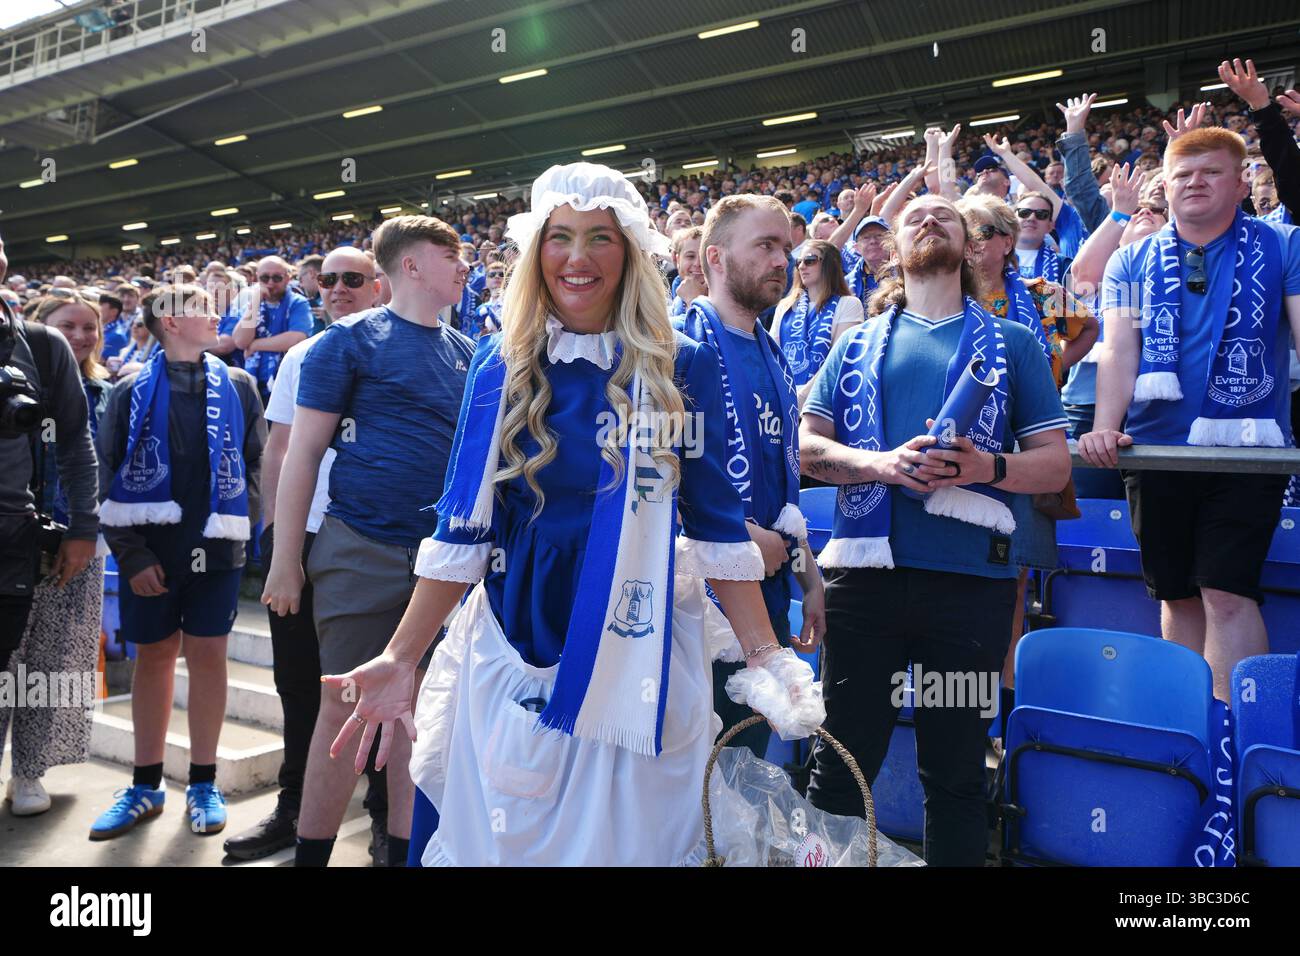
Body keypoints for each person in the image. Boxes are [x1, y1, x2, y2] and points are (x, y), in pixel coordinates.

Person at [322, 163, 819, 867]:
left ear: (631, 254)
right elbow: (462, 529)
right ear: (535, 251)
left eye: (600, 239)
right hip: (515, 643)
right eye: (560, 238)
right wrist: (401, 655)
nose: (577, 258)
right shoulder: (499, 363)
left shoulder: (684, 366)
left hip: (641, 650)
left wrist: (767, 656)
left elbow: (714, 526)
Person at [799, 194, 1071, 865]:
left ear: (972, 244)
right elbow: (806, 449)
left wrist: (988, 465)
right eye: (915, 215)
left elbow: (1054, 465)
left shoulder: (1012, 343)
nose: (930, 220)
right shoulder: (854, 343)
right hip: (862, 587)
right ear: (892, 247)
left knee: (955, 774)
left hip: (972, 589)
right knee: (841, 765)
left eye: (946, 217)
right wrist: (882, 465)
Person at [261, 216, 475, 868]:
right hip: (362, 552)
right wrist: (286, 561)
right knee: (343, 710)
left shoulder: (470, 353)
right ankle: (311, 858)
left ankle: (401, 858)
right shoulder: (346, 344)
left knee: (417, 719)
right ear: (410, 266)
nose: (464, 266)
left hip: (443, 564)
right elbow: (301, 458)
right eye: (451, 254)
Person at [1080, 125, 1300, 702]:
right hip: (1156, 450)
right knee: (1176, 593)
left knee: (1227, 591)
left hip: (1248, 449)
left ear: (1240, 181)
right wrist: (1107, 422)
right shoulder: (1129, 260)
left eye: (1210, 171)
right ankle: (1190, 728)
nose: (1194, 183)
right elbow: (1120, 349)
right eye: (1182, 174)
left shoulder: (1284, 244)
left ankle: (1233, 733)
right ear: (1167, 186)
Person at [223, 246, 386, 862]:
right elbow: (278, 451)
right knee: (296, 682)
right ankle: (295, 808)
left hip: (369, 543)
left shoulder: (398, 351)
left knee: (371, 686)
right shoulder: (300, 353)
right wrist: (276, 544)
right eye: (328, 279)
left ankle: (383, 815)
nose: (338, 288)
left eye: (353, 279)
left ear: (381, 287)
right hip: (303, 537)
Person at [90, 284, 266, 839]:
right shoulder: (127, 392)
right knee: (156, 657)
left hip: (216, 548)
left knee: (210, 655)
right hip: (152, 554)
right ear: (169, 322)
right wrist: (133, 555)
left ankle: (204, 781)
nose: (217, 315)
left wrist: (237, 531)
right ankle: (144, 785)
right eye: (202, 308)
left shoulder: (239, 384)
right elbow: (106, 474)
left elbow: (259, 465)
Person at [678, 194, 828, 759]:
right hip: (694, 610)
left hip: (764, 597)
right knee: (693, 778)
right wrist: (736, 534)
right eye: (764, 246)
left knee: (741, 773)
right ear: (714, 258)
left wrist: (807, 574)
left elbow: (780, 493)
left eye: (786, 249)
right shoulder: (678, 346)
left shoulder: (775, 355)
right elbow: (650, 483)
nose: (780, 262)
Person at [1, 291, 111, 816]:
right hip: (16, 533)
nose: (82, 336)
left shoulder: (105, 389)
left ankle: (29, 772)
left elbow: (84, 452)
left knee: (49, 666)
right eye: (70, 324)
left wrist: (85, 530)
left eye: (90, 327)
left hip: (60, 539)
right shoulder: (26, 357)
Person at [773, 238, 863, 402]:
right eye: (799, 262)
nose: (801, 266)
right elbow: (772, 357)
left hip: (823, 402)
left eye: (810, 261)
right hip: (783, 398)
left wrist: (801, 397)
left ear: (829, 265)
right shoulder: (785, 306)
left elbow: (839, 360)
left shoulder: (849, 304)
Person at [233, 255, 312, 405]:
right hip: (255, 383)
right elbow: (240, 341)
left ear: (287, 278)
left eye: (277, 278)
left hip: (287, 383)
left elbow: (296, 338)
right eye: (264, 278)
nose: (270, 283)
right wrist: (255, 303)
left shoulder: (298, 302)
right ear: (257, 278)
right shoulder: (253, 303)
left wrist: (256, 345)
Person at [99, 293, 129, 364]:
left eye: (100, 307)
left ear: (114, 312)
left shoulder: (117, 336)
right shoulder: (102, 329)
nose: (96, 310)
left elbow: (105, 362)